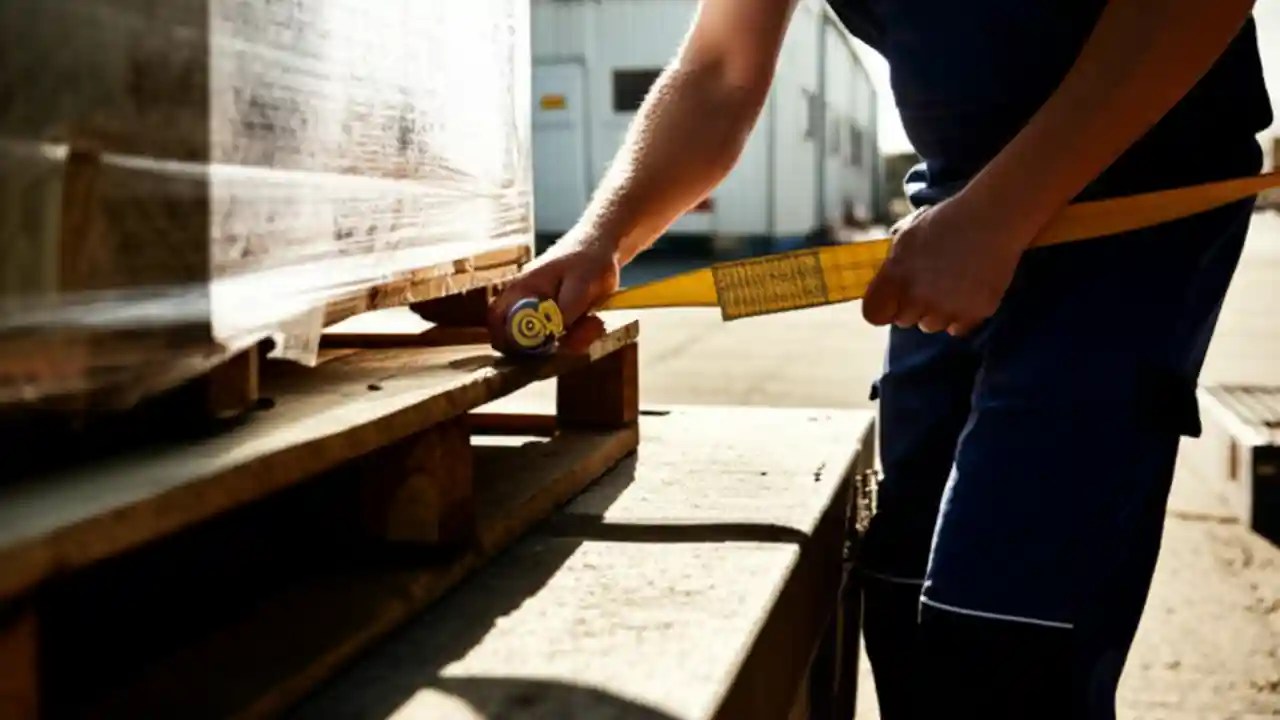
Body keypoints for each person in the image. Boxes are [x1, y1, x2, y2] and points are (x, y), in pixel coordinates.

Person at [488, 1, 1273, 716]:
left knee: (1003, 628)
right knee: (898, 594)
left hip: (1133, 205)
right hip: (952, 218)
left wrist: (1002, 212)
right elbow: (722, 66)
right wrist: (600, 237)